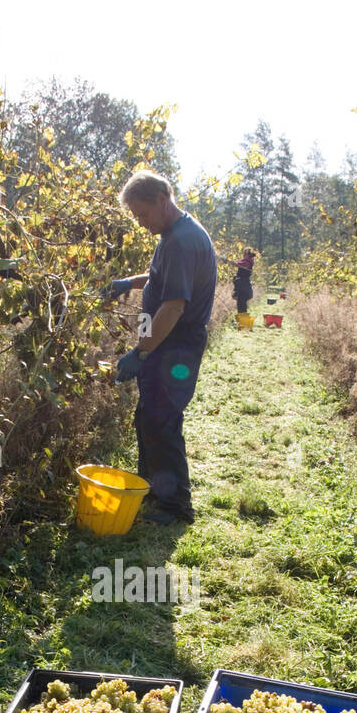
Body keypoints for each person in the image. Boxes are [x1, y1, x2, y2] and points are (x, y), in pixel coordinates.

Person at [104, 171, 216, 525]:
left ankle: (175, 507)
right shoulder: (176, 234)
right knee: (148, 417)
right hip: (168, 344)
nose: (140, 223)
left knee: (162, 421)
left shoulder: (181, 241)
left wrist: (141, 352)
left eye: (142, 214)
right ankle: (152, 489)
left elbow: (173, 307)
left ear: (161, 200)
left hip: (175, 346)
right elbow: (160, 277)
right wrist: (129, 283)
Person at [232, 247, 256, 316]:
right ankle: (242, 320)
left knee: (241, 304)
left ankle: (243, 321)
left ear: (246, 254)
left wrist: (233, 263)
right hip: (243, 285)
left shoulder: (248, 262)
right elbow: (239, 262)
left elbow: (239, 264)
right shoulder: (246, 260)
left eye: (244, 253)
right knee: (241, 303)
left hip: (244, 286)